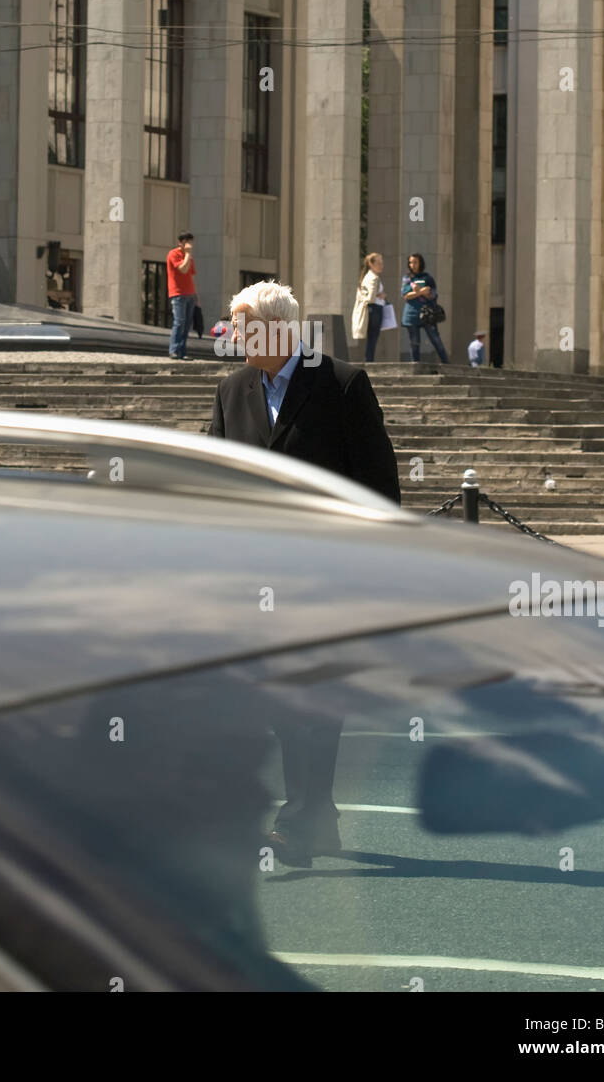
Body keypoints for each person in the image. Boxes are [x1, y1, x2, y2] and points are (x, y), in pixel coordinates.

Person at [208, 279, 400, 867]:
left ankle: (301, 821)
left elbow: (379, 483)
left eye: (240, 324)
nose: (231, 335)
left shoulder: (341, 383)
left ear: (275, 327)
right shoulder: (232, 390)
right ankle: (318, 819)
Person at [401, 252, 449, 365]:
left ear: (420, 263)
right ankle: (416, 366)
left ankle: (446, 364)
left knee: (435, 340)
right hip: (411, 315)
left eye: (415, 262)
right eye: (410, 262)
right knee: (414, 343)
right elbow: (406, 295)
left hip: (427, 314)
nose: (412, 265)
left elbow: (432, 294)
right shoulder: (407, 278)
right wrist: (421, 291)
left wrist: (418, 292)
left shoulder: (427, 278)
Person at [166, 232, 198, 360]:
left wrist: (196, 296)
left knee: (187, 324)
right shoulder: (174, 254)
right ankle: (174, 350)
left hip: (190, 294)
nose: (190, 244)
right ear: (181, 242)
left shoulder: (189, 257)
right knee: (179, 322)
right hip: (178, 293)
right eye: (187, 241)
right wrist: (188, 254)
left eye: (191, 241)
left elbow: (191, 276)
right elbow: (183, 269)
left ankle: (182, 352)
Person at [351, 252, 386, 363]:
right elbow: (370, 297)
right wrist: (380, 295)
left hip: (372, 308)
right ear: (371, 264)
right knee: (373, 337)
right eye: (379, 263)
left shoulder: (367, 276)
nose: (381, 265)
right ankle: (369, 360)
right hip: (375, 309)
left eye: (382, 263)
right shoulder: (373, 277)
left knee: (372, 337)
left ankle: (369, 359)